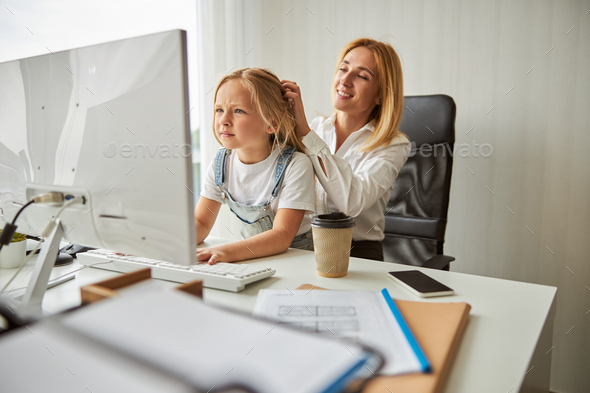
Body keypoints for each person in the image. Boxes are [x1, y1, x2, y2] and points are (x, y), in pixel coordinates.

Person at [282, 38, 411, 261]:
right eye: (343, 69)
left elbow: (352, 202)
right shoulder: (315, 129)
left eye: (361, 75)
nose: (345, 79)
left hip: (358, 254)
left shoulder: (393, 144)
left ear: (381, 94)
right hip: (306, 247)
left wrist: (304, 133)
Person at [195, 67, 315, 265]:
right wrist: (170, 245)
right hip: (255, 259)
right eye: (219, 110)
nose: (224, 120)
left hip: (298, 262)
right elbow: (201, 222)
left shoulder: (296, 165)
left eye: (238, 111)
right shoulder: (220, 163)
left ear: (271, 123)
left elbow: (281, 236)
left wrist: (224, 252)